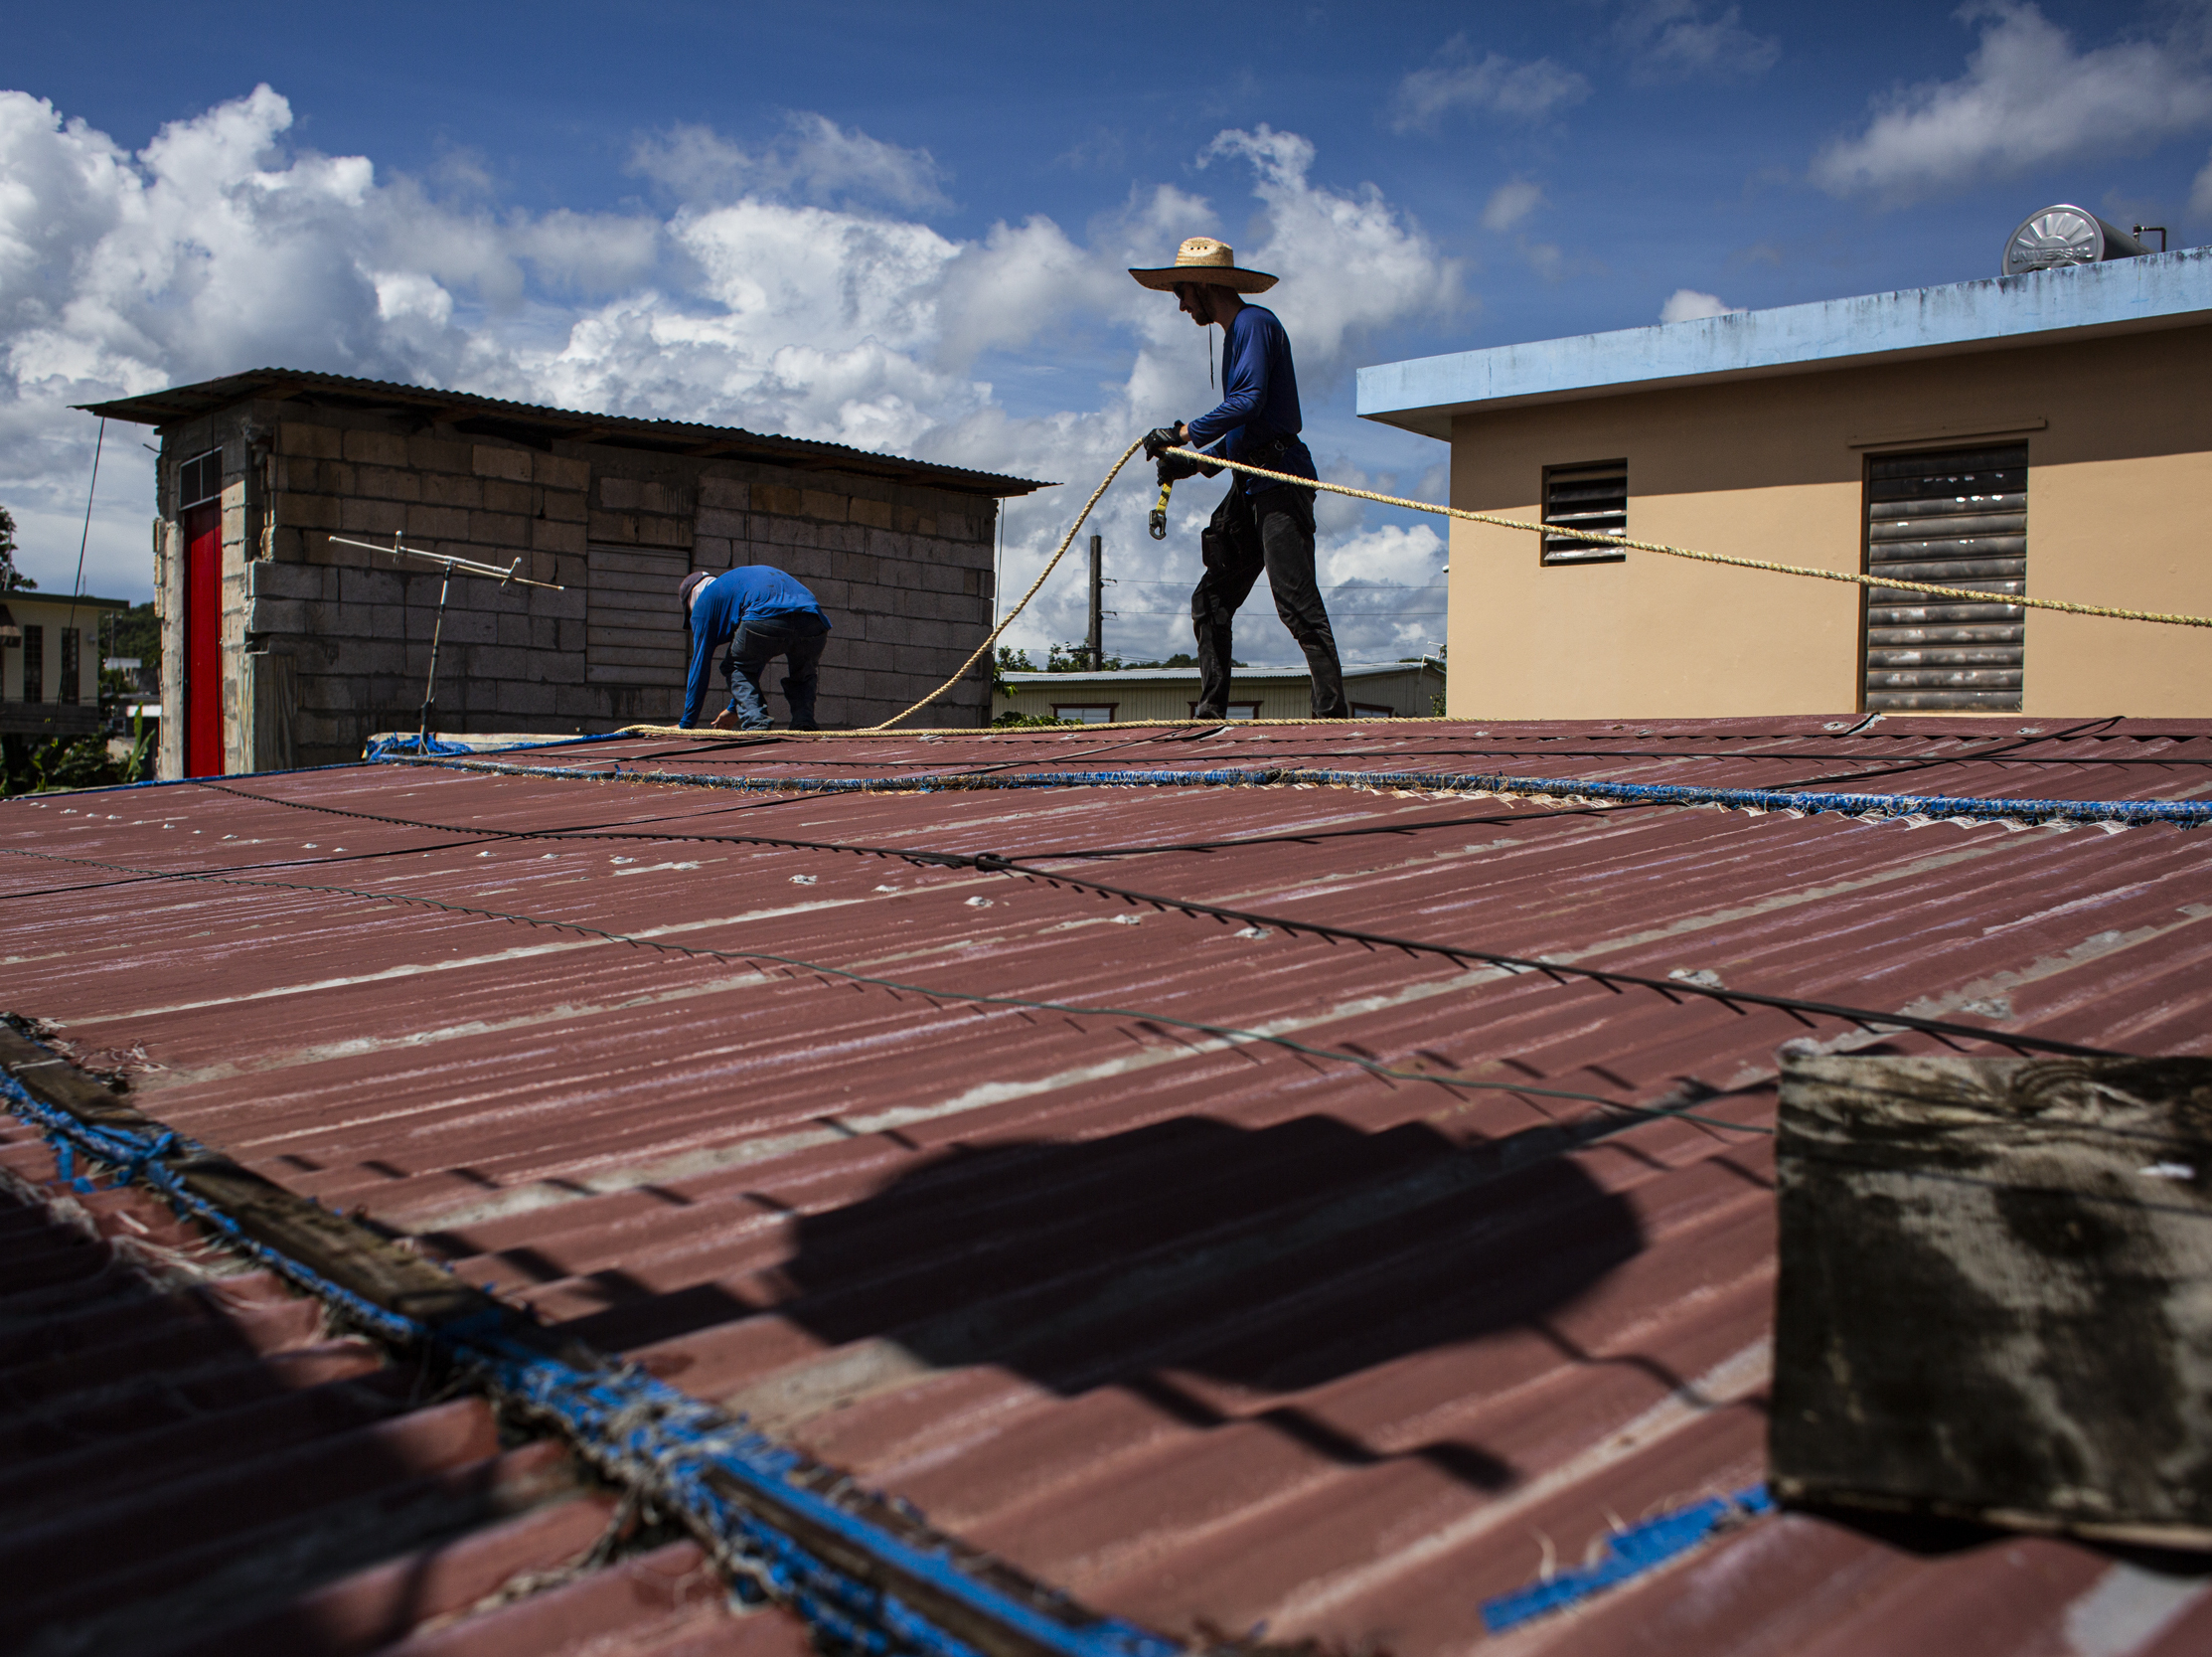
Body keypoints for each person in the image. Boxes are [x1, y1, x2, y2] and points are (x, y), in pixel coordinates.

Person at [1131, 236, 1347, 720]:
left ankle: (1333, 718)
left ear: (1205, 285)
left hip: (1280, 481)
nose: (1182, 305)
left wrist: (1184, 434)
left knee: (1294, 600)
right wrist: (1191, 462)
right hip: (1249, 483)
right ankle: (1210, 716)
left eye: (1182, 293)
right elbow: (1242, 432)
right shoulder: (1236, 337)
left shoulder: (1254, 324)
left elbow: (1248, 402)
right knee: (1210, 600)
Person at [678, 566, 831, 731]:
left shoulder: (703, 602)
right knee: (803, 674)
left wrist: (687, 723)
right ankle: (804, 722)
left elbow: (699, 666)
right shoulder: (733, 587)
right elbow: (755, 658)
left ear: (691, 600)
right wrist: (733, 709)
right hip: (813, 618)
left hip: (766, 615)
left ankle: (756, 723)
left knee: (734, 666)